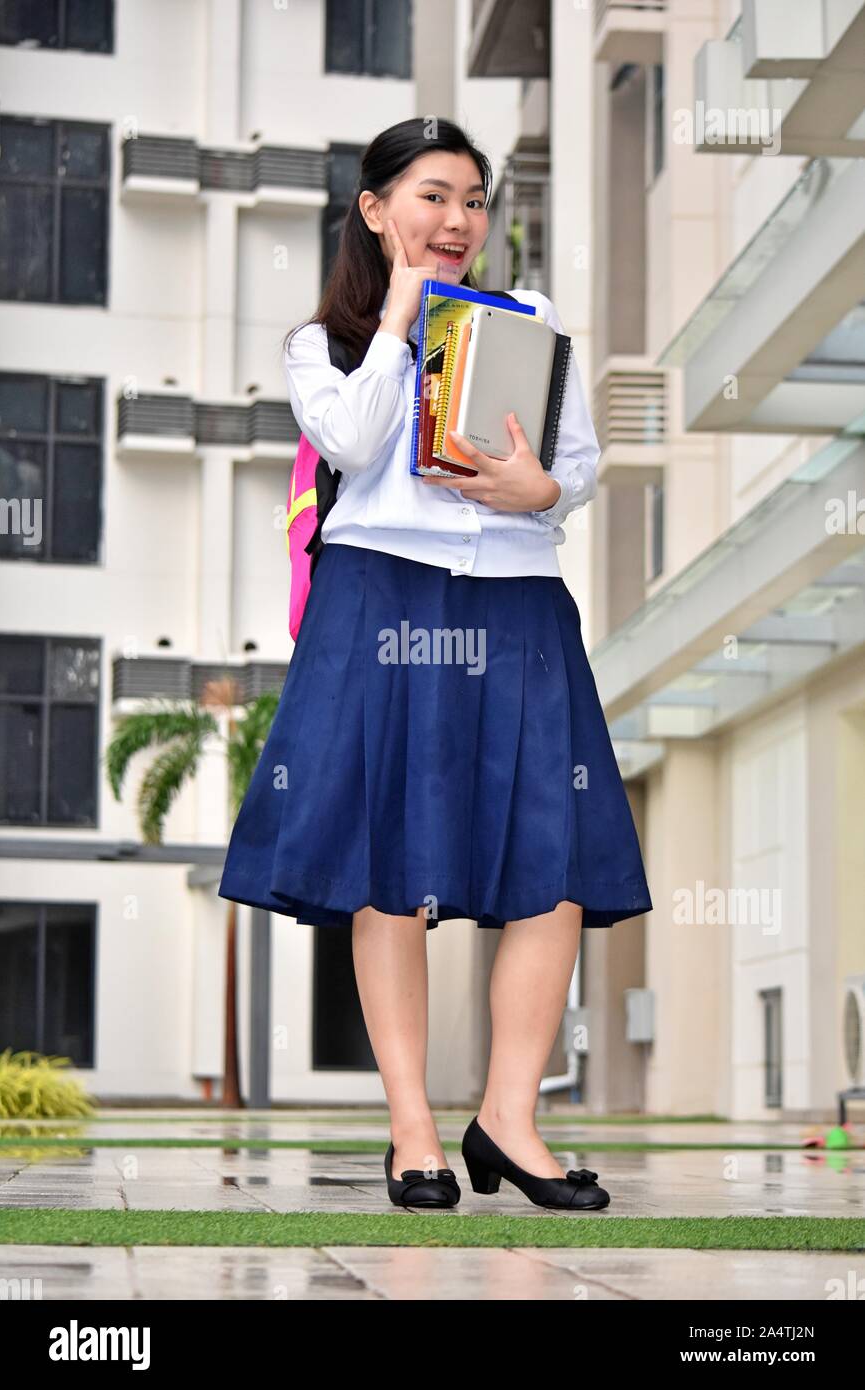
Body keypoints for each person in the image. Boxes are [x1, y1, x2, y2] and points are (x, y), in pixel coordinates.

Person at [218, 116, 652, 1212]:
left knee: (553, 864)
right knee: (389, 868)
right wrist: (404, 319)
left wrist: (539, 490)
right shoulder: (322, 344)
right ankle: (411, 1126)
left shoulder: (533, 318)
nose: (456, 220)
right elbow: (357, 446)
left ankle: (509, 1116)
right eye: (430, 197)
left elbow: (582, 459)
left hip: (518, 602)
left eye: (470, 199)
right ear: (374, 209)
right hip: (382, 600)